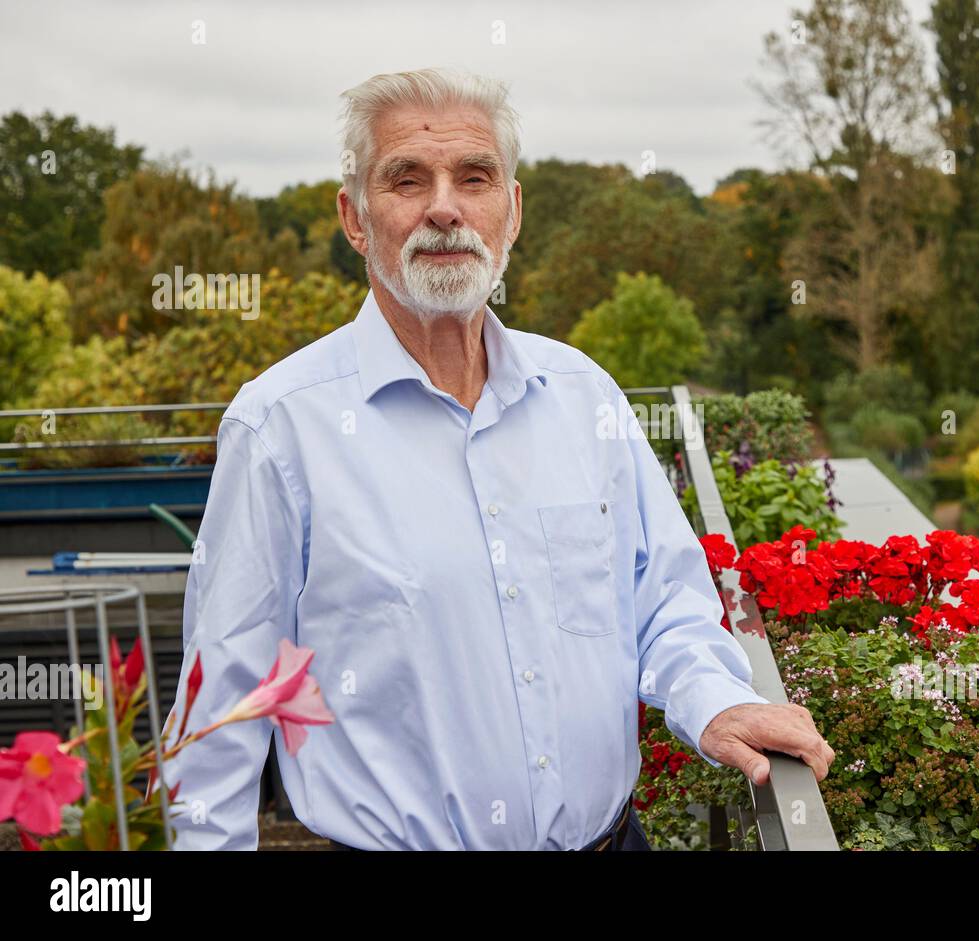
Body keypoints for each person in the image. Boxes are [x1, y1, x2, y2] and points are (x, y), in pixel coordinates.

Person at [163, 67, 834, 850]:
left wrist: (714, 699)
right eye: (406, 179)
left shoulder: (585, 397)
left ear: (511, 213)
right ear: (354, 217)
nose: (444, 207)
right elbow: (222, 704)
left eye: (474, 177)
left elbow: (664, 601)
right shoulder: (282, 428)